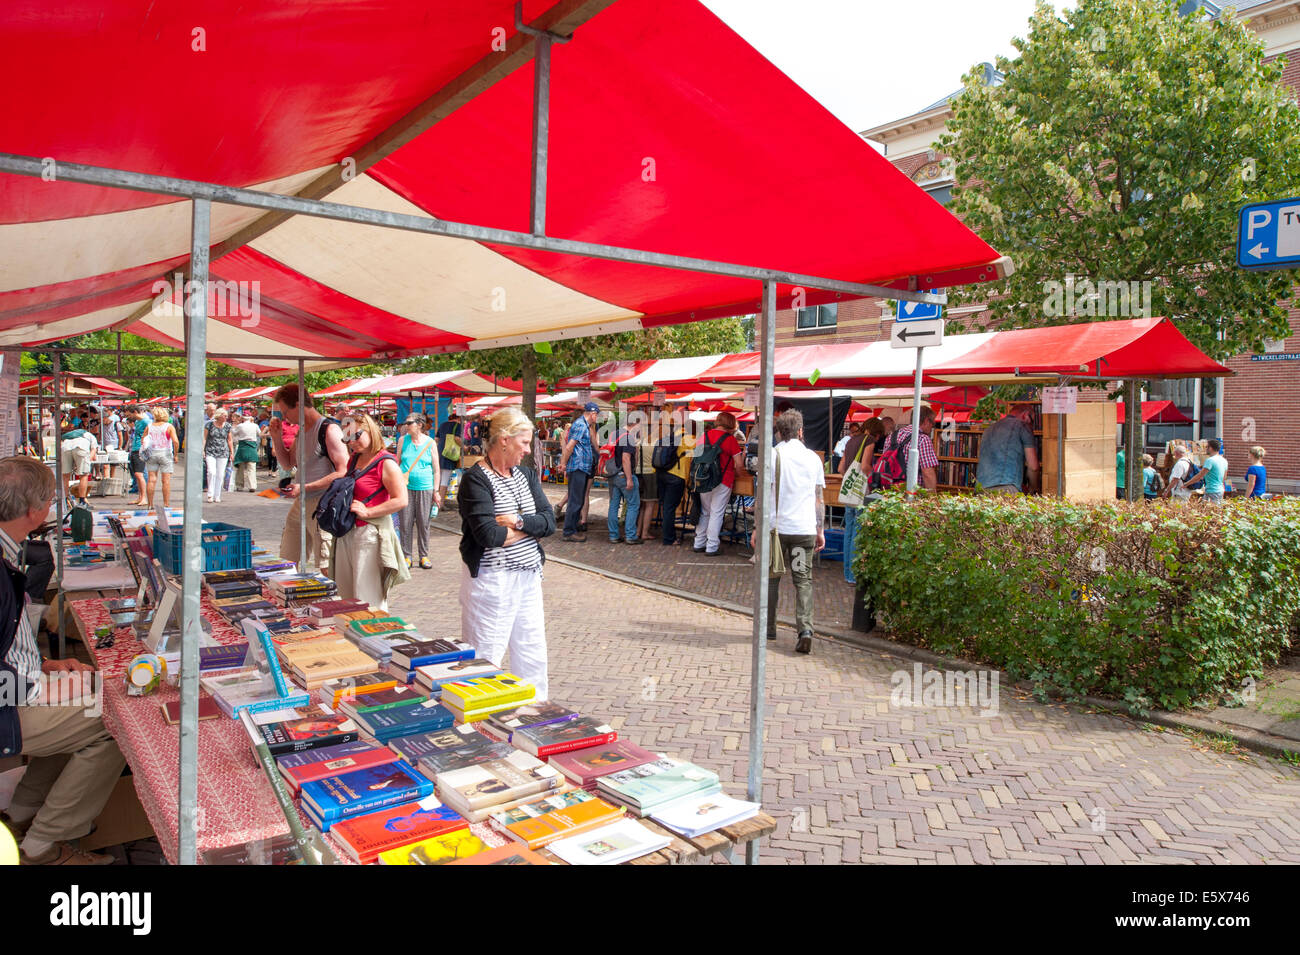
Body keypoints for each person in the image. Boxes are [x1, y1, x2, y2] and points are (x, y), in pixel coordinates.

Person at [0, 456, 126, 865]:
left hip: (18, 689)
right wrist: (35, 686)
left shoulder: (9, 550)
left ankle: (20, 816)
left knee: (90, 698)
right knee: (117, 722)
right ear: (35, 511)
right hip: (10, 704)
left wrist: (46, 669)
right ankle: (43, 846)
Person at [458, 407, 556, 700]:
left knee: (532, 651)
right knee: (485, 653)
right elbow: (487, 535)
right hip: (492, 579)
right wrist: (530, 527)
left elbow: (549, 521)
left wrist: (517, 522)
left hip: (528, 577)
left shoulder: (526, 475)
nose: (527, 450)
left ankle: (535, 712)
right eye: (524, 443)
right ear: (503, 440)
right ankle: (477, 721)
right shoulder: (475, 479)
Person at [751, 410, 824, 655]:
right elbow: (818, 499)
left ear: (779, 432)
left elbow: (761, 497)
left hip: (777, 530)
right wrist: (820, 529)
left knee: (772, 580)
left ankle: (768, 628)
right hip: (804, 530)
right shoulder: (813, 458)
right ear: (801, 431)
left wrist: (755, 528)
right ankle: (805, 630)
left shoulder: (772, 455)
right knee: (803, 581)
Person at [328, 413, 410, 610]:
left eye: (357, 435)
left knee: (368, 599)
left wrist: (368, 512)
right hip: (347, 532)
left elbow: (401, 500)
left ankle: (374, 638)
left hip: (369, 534)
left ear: (371, 430)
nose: (352, 442)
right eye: (347, 438)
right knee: (346, 597)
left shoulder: (386, 462)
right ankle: (352, 637)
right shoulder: (354, 459)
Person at [269, 384, 348, 571]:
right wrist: (276, 437)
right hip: (302, 502)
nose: (284, 417)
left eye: (285, 412)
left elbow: (343, 471)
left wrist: (305, 487)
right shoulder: (301, 430)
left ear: (298, 405)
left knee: (326, 563)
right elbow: (288, 463)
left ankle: (335, 599)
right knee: (287, 559)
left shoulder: (329, 430)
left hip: (323, 503)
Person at [692, 411, 745, 556]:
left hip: (703, 479)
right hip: (723, 480)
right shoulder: (730, 440)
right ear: (731, 423)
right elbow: (739, 464)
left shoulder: (704, 436)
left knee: (705, 511)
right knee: (717, 513)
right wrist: (740, 475)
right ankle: (712, 546)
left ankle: (699, 543)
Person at [838, 417, 883, 585]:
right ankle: (854, 575)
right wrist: (875, 474)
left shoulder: (850, 441)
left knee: (849, 532)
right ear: (876, 433)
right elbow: (865, 466)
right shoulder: (869, 440)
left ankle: (847, 573)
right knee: (858, 532)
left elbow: (841, 468)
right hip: (861, 493)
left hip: (848, 494)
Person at [397, 413, 441, 569]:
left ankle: (424, 556)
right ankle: (406, 556)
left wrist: (436, 491)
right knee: (405, 523)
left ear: (419, 425)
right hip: (405, 488)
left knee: (424, 523)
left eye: (409, 423)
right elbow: (397, 463)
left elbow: (436, 469)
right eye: (406, 423)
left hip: (425, 487)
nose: (406, 426)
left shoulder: (430, 443)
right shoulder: (403, 440)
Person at [976, 405, 1040, 494]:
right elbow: (1033, 467)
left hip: (981, 489)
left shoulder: (988, 429)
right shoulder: (1023, 426)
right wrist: (1034, 489)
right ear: (1025, 415)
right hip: (1007, 489)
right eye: (1032, 421)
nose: (1031, 426)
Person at [559, 402, 599, 542]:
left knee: (578, 499)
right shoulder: (581, 425)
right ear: (593, 414)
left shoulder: (583, 425)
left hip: (581, 467)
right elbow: (570, 446)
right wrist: (563, 463)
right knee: (576, 500)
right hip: (578, 467)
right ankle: (569, 531)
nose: (597, 418)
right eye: (597, 415)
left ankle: (572, 529)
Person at [881, 408, 939, 492]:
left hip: (890, 490)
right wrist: (932, 496)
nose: (932, 427)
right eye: (933, 423)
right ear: (926, 421)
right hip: (911, 492)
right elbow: (927, 473)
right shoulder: (922, 439)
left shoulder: (891, 437)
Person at [657, 410, 692, 546]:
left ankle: (666, 535)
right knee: (670, 508)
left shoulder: (665, 435)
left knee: (666, 506)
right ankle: (669, 538)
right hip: (677, 475)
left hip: (661, 473)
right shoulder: (687, 437)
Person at [607, 419, 640, 544]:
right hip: (623, 475)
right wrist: (629, 478)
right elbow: (626, 458)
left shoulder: (615, 434)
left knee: (614, 505)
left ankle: (613, 535)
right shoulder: (628, 437)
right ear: (634, 424)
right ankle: (631, 535)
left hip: (613, 474)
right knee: (633, 504)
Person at [142, 407, 179, 510]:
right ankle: (166, 504)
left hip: (152, 454)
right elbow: (175, 441)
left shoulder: (149, 426)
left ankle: (150, 504)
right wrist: (175, 454)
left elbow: (143, 440)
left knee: (151, 479)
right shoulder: (169, 426)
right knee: (166, 481)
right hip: (165, 453)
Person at [635, 417, 661, 545]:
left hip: (639, 474)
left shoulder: (639, 442)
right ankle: (645, 532)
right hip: (651, 474)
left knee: (641, 505)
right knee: (650, 505)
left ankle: (638, 531)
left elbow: (635, 459)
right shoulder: (656, 442)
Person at [1182, 438, 1228, 504]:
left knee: (1208, 511)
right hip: (1220, 489)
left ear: (1211, 448)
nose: (1206, 449)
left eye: (1207, 447)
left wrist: (1186, 484)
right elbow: (1224, 477)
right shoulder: (1224, 460)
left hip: (1212, 490)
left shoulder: (1210, 460)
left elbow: (1200, 475)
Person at [203, 408, 233, 504]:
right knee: (211, 472)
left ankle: (217, 495)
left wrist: (231, 452)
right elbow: (204, 437)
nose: (226, 417)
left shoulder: (227, 426)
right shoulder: (209, 425)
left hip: (223, 452)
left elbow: (229, 439)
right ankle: (210, 494)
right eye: (225, 415)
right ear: (219, 415)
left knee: (220, 474)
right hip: (210, 450)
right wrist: (202, 449)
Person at [435, 412, 463, 500]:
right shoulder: (457, 426)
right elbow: (457, 438)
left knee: (437, 479)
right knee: (444, 480)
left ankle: (434, 502)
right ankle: (441, 503)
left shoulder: (442, 425)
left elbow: (436, 439)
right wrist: (464, 447)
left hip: (439, 453)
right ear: (458, 419)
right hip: (449, 455)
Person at [128, 407, 149, 506]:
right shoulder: (137, 422)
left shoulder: (146, 421)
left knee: (139, 474)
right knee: (136, 474)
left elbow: (150, 433)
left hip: (140, 449)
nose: (129, 417)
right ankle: (140, 497)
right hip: (134, 448)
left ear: (135, 412)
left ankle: (144, 498)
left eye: (129, 414)